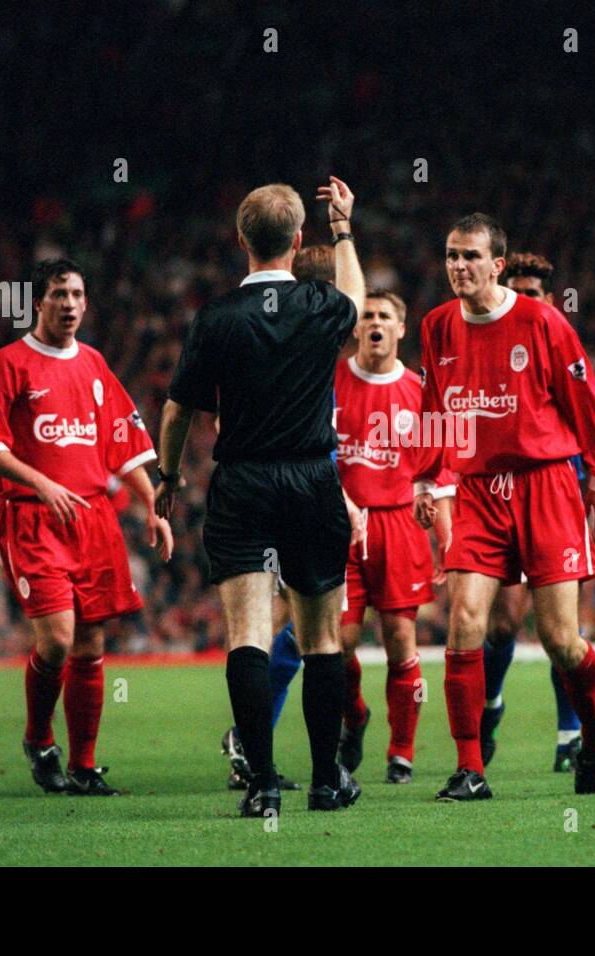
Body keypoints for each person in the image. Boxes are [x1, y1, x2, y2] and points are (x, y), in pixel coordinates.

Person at [157, 179, 366, 817]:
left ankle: (264, 785)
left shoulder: (216, 317)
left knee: (246, 634)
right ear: (299, 240)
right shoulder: (320, 304)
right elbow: (356, 301)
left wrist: (168, 478)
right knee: (321, 638)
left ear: (242, 241)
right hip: (310, 480)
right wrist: (346, 230)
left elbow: (177, 411)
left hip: (242, 483)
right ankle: (328, 782)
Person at [413, 215, 595, 800]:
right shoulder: (435, 327)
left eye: (471, 257)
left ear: (496, 264)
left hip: (547, 485)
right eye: (452, 256)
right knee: (464, 621)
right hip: (480, 490)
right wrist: (426, 480)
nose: (459, 267)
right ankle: (470, 768)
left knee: (559, 639)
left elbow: (585, 402)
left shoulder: (542, 321)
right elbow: (433, 408)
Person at [0, 258, 172, 796]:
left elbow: (124, 447)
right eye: (59, 294)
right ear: (39, 302)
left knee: (90, 641)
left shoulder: (95, 366)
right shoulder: (8, 365)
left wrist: (152, 504)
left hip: (92, 518)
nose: (70, 304)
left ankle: (84, 765)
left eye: (78, 294)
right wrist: (42, 483)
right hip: (34, 518)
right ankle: (39, 737)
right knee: (56, 639)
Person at [467, 252, 595, 773]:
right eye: (518, 292)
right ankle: (489, 707)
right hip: (497, 498)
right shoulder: (484, 345)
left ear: (549, 301)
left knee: (561, 633)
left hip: (559, 499)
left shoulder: (558, 343)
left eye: (534, 294)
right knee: (503, 625)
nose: (525, 302)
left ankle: (571, 735)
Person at [334, 289, 448, 784]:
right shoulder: (330, 379)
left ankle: (401, 751)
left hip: (399, 523)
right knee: (335, 644)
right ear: (356, 329)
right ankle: (355, 715)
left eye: (385, 315)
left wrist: (446, 537)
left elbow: (441, 475)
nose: (375, 323)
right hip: (337, 524)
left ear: (401, 329)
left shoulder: (422, 390)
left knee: (401, 638)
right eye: (367, 316)